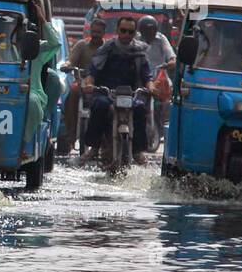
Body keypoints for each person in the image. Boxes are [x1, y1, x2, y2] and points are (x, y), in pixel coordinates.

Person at [82, 15, 153, 162]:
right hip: (107, 93)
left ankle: (138, 151)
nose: (126, 34)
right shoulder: (107, 48)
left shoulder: (140, 51)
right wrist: (89, 84)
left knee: (140, 109)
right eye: (123, 30)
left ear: (135, 33)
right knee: (99, 106)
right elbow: (93, 71)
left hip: (132, 94)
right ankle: (94, 148)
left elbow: (147, 76)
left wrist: (151, 88)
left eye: (130, 32)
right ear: (117, 30)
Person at [57, 18, 106, 153]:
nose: (95, 34)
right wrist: (67, 66)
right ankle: (71, 135)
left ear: (103, 33)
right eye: (94, 31)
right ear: (90, 31)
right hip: (81, 82)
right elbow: (71, 60)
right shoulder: (81, 45)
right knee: (71, 93)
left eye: (98, 32)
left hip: (100, 85)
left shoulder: (107, 48)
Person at [138, 15, 175, 144]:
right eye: (147, 32)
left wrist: (170, 62)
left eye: (152, 32)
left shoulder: (161, 39)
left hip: (159, 77)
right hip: (141, 78)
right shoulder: (136, 40)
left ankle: (165, 123)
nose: (150, 35)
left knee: (168, 100)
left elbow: (171, 56)